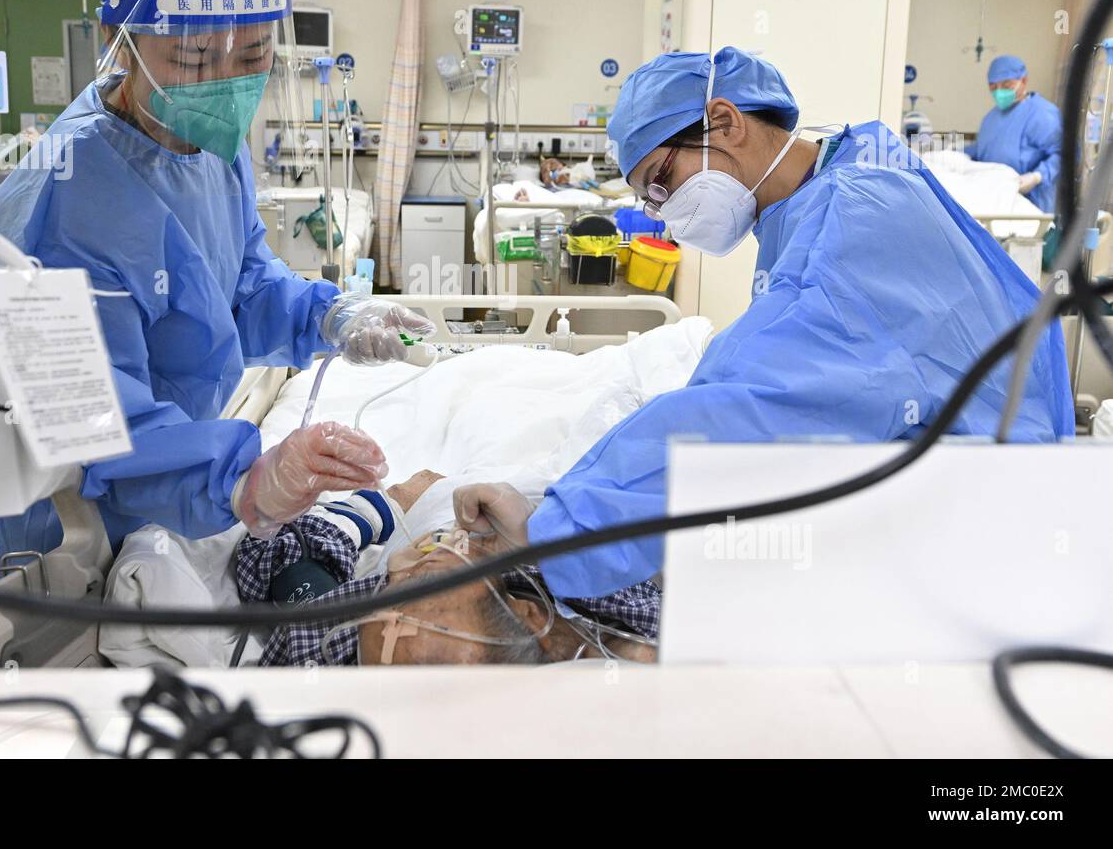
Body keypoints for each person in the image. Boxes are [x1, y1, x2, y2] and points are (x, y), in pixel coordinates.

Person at [456, 47, 1074, 600]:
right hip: (957, 492)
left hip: (976, 526)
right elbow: (766, 359)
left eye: (663, 181)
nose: (664, 212)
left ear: (724, 122)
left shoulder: (858, 215)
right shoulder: (815, 198)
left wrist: (560, 526)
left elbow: (761, 401)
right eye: (649, 199)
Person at [0, 0, 431, 562]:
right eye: (195, 54)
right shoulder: (67, 201)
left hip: (172, 503)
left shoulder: (210, 144)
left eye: (254, 52)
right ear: (118, 41)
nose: (227, 80)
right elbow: (93, 409)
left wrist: (334, 317)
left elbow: (237, 283)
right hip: (67, 537)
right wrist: (241, 480)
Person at [235, 471, 658, 665]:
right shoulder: (624, 603)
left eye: (398, 586)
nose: (402, 575)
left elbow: (271, 564)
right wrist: (536, 540)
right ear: (529, 611)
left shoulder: (324, 647)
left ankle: (380, 506)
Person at [965, 54, 1062, 212]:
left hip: (1033, 202)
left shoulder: (1042, 114)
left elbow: (1064, 154)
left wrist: (1037, 176)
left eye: (1006, 85)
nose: (999, 91)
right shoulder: (991, 118)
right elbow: (983, 150)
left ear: (1023, 81)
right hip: (994, 199)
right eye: (993, 87)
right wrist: (951, 153)